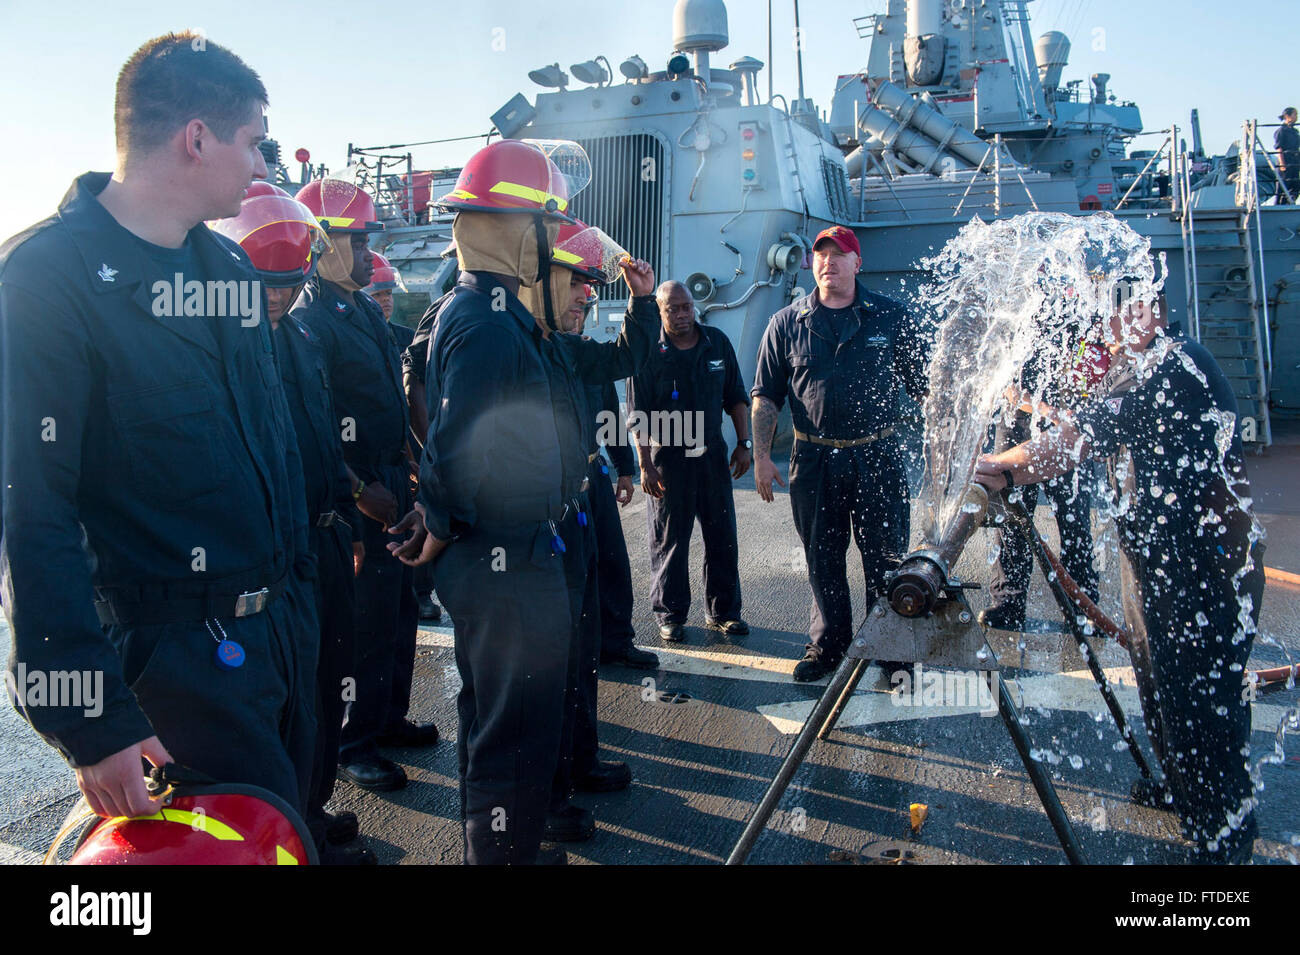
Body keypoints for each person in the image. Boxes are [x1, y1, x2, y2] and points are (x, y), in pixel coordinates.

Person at [1, 34, 319, 822]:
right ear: (198, 136)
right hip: (169, 669)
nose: (263, 167)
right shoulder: (46, 279)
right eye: (254, 141)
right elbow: (29, 514)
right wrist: (90, 719)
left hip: (277, 636)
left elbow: (272, 449)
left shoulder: (230, 270)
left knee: (285, 833)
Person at [386, 138, 658, 864]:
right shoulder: (481, 321)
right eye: (551, 227)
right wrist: (438, 527)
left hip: (526, 551)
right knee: (509, 735)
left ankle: (520, 841)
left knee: (526, 726)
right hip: (500, 562)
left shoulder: (507, 319)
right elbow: (457, 446)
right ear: (522, 230)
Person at [974, 289, 1264, 864]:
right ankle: (1184, 790)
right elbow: (1078, 425)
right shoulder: (1133, 365)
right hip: (1154, 560)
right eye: (1105, 315)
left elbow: (1075, 442)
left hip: (1204, 567)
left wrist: (997, 467)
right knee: (1158, 683)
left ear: (1154, 310)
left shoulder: (1177, 364)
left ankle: (1225, 839)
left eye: (1122, 312)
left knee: (1202, 703)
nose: (1109, 327)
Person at [210, 184, 374, 864]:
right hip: (275, 553)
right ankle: (288, 831)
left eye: (289, 282)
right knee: (288, 702)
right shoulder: (228, 348)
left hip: (323, 538)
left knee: (326, 682)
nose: (277, 296)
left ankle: (310, 806)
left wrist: (354, 518)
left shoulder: (303, 336)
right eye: (266, 284)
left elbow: (322, 438)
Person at [293, 179, 437, 795]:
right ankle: (354, 742)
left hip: (389, 475)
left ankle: (387, 716)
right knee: (362, 622)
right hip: (356, 494)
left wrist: (409, 454)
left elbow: (384, 396)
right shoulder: (310, 319)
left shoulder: (359, 309)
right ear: (323, 244)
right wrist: (356, 492)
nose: (364, 253)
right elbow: (312, 421)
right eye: (355, 241)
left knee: (399, 607)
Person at [752, 226, 929, 682]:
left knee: (886, 559)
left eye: (839, 254)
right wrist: (761, 456)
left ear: (857, 263)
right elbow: (766, 396)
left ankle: (891, 653)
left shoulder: (890, 316)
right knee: (822, 558)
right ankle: (827, 647)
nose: (828, 261)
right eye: (821, 254)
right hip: (813, 463)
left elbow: (926, 387)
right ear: (813, 264)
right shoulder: (786, 323)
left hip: (878, 457)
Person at [629, 280, 752, 644]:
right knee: (670, 539)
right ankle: (670, 614)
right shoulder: (648, 351)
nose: (682, 315)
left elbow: (736, 396)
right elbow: (637, 415)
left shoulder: (717, 343)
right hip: (668, 458)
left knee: (722, 536)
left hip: (711, 454)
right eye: (673, 309)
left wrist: (743, 443)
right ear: (660, 311)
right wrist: (645, 465)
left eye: (686, 307)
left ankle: (725, 612)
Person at [981, 332, 1101, 633]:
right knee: (1011, 523)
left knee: (1074, 523)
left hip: (1066, 431)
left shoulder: (1079, 324)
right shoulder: (1020, 319)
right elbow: (1008, 388)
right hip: (1017, 425)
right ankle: (1008, 604)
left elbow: (1092, 374)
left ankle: (1084, 607)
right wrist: (1049, 412)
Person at [367, 253, 442, 624]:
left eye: (388, 294)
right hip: (378, 455)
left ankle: (422, 592)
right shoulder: (359, 335)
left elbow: (415, 394)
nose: (385, 300)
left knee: (417, 514)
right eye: (377, 293)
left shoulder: (402, 338)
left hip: (408, 444)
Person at [1275, 107, 1299, 205]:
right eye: (1295, 114)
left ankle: (1290, 202)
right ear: (1287, 116)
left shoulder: (1295, 131)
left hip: (1295, 161)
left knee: (1296, 185)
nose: (1297, 117)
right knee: (1284, 185)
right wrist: (1282, 163)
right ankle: (1280, 205)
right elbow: (1279, 147)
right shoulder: (1281, 131)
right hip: (1286, 160)